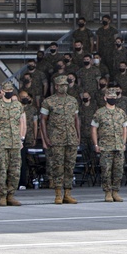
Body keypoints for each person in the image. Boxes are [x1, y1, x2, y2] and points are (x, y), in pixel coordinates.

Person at [41, 75, 81, 205]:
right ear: (56, 86)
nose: (64, 87)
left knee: (70, 166)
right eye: (61, 85)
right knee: (57, 166)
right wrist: (46, 137)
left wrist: (78, 135)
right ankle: (58, 194)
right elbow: (43, 120)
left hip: (71, 138)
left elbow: (76, 118)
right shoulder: (48, 101)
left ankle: (68, 194)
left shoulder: (73, 100)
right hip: (56, 138)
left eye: (66, 85)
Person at [0, 81, 26, 206]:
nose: (9, 93)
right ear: (1, 91)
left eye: (10, 91)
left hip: (15, 143)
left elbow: (21, 122)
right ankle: (2, 196)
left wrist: (21, 138)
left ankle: (11, 195)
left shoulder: (18, 105)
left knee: (15, 170)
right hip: (1, 143)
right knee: (2, 170)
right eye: (6, 91)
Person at [93, 87, 127, 203]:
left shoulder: (121, 112)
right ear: (105, 98)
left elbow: (124, 128)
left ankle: (115, 191)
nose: (112, 99)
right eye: (110, 97)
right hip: (105, 146)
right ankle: (107, 192)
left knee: (118, 170)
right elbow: (94, 129)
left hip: (118, 146)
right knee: (106, 170)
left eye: (114, 97)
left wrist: (124, 142)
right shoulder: (99, 113)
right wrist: (96, 144)